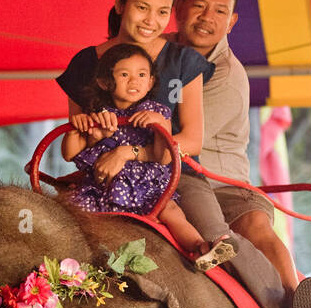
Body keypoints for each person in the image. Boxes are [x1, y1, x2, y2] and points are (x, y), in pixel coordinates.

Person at [57, 0, 311, 308]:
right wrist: (95, 136)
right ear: (121, 6)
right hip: (101, 178)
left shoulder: (184, 62)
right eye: (142, 8)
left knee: (217, 231)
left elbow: (190, 140)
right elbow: (74, 139)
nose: (150, 20)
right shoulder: (88, 62)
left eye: (160, 12)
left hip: (175, 172)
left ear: (170, 15)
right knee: (52, 228)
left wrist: (130, 151)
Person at [173, 0, 311, 308]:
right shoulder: (157, 51)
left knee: (254, 226)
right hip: (169, 180)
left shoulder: (228, 74)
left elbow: (186, 138)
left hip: (220, 183)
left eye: (220, 11)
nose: (207, 18)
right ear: (178, 10)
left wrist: (129, 147)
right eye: (199, 7)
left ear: (232, 22)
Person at [62, 44, 238, 271]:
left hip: (147, 187)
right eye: (124, 74)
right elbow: (69, 154)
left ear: (151, 82)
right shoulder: (99, 114)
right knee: (76, 216)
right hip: (104, 188)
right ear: (104, 82)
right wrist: (77, 128)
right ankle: (71, 263)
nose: (134, 81)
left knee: (172, 211)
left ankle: (200, 247)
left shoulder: (156, 112)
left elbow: (163, 157)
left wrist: (159, 125)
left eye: (142, 75)